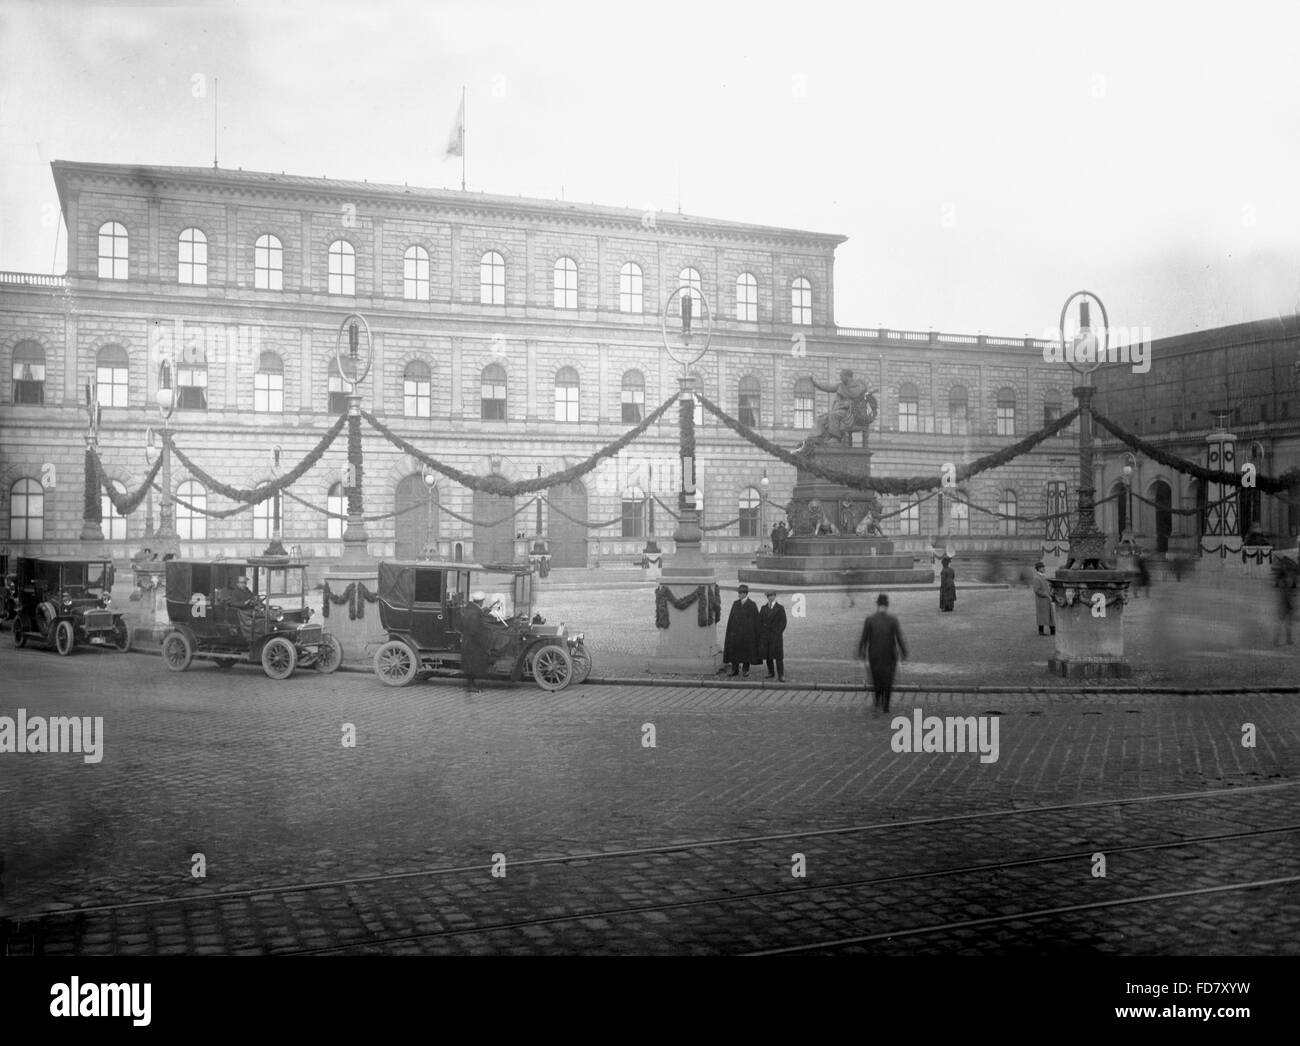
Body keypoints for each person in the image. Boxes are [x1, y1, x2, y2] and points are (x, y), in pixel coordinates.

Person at [857, 593, 908, 714]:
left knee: (876, 677)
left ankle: (877, 700)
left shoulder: (870, 620)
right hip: (890, 655)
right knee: (888, 679)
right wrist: (904, 652)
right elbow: (899, 638)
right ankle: (886, 705)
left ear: (877, 605)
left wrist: (861, 652)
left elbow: (864, 638)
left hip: (874, 655)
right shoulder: (892, 620)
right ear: (887, 605)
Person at [723, 584, 761, 677]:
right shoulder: (735, 604)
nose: (739, 595)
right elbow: (731, 619)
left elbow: (756, 621)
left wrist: (754, 634)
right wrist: (731, 632)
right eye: (738, 593)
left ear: (745, 593)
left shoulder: (752, 605)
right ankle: (734, 669)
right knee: (734, 651)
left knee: (746, 652)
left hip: (747, 634)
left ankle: (745, 670)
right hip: (736, 633)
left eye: (740, 593)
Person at [459, 591, 491, 694]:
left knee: (471, 663)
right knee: (472, 664)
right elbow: (474, 630)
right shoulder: (474, 612)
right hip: (472, 643)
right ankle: (471, 686)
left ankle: (471, 684)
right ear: (480, 601)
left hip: (469, 641)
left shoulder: (471, 609)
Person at [758, 590, 787, 681]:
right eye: (768, 596)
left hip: (776, 636)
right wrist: (762, 633)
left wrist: (778, 632)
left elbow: (783, 622)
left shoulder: (780, 608)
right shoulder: (763, 608)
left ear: (775, 596)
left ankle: (781, 675)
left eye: (771, 595)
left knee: (778, 656)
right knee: (768, 656)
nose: (770, 597)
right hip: (766, 636)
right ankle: (771, 672)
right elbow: (760, 621)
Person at [1273, 557, 1297, 646]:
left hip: (1283, 602)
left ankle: (1281, 639)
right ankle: (1286, 639)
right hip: (1286, 602)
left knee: (1283, 622)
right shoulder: (1287, 580)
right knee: (1287, 622)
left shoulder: (1282, 581)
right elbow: (1288, 593)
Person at [1031, 561, 1055, 636]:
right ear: (1038, 569)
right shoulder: (1037, 578)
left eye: (1043, 567)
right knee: (1042, 615)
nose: (1044, 568)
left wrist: (1050, 594)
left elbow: (1046, 588)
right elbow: (1037, 590)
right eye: (1042, 567)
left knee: (1050, 615)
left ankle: (1053, 630)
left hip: (1046, 599)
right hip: (1041, 600)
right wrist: (1046, 594)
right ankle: (1041, 631)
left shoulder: (1043, 577)